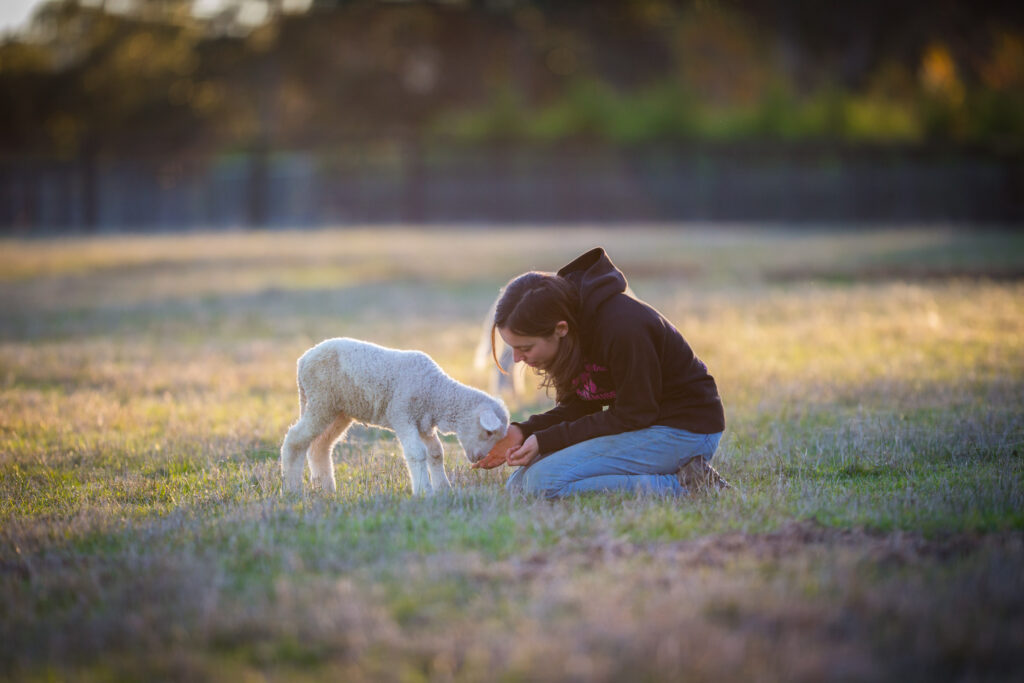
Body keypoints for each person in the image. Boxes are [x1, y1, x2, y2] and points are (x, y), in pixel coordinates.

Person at [493, 247, 729, 498]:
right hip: (641, 426)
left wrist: (546, 440)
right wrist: (524, 431)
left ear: (560, 329)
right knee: (518, 485)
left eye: (525, 348)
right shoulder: (572, 335)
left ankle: (687, 485)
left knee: (541, 483)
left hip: (685, 429)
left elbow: (636, 413)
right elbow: (581, 407)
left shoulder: (623, 327)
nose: (517, 359)